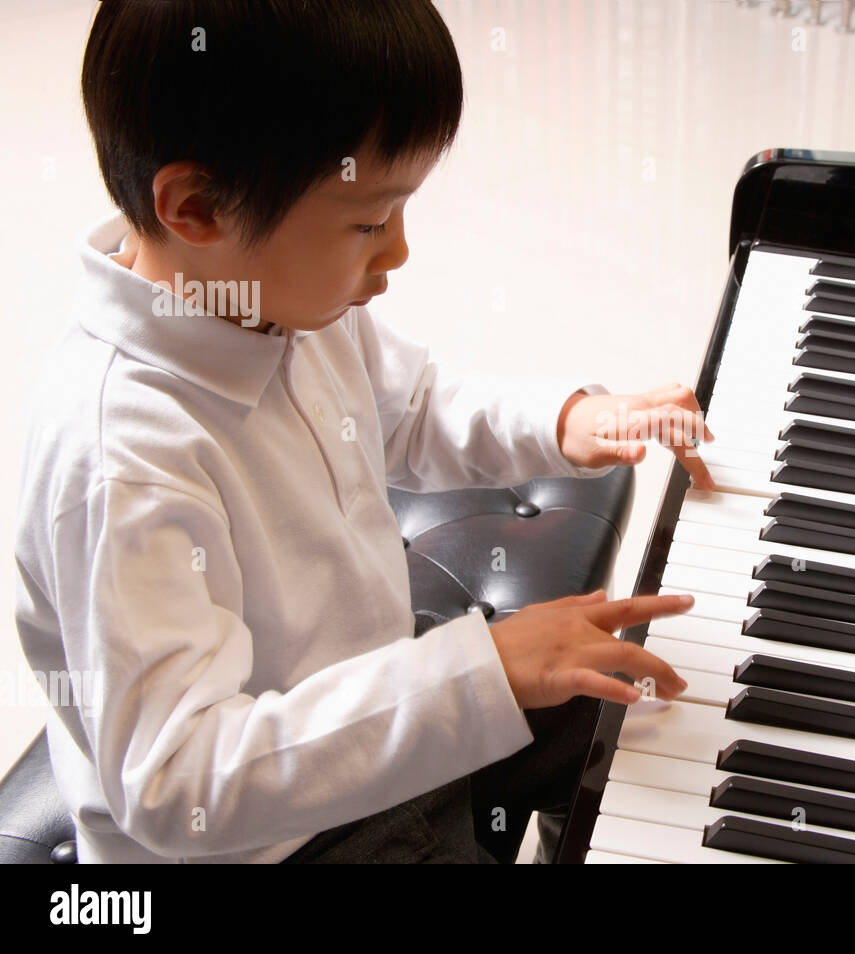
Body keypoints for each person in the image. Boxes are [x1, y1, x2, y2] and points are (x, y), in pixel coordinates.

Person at [12, 0, 715, 864]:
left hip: (372, 693)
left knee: (660, 713)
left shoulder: (278, 303)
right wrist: (481, 675)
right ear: (196, 208)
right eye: (369, 221)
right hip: (275, 842)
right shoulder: (123, 460)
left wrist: (569, 420)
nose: (399, 252)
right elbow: (177, 783)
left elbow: (410, 404)